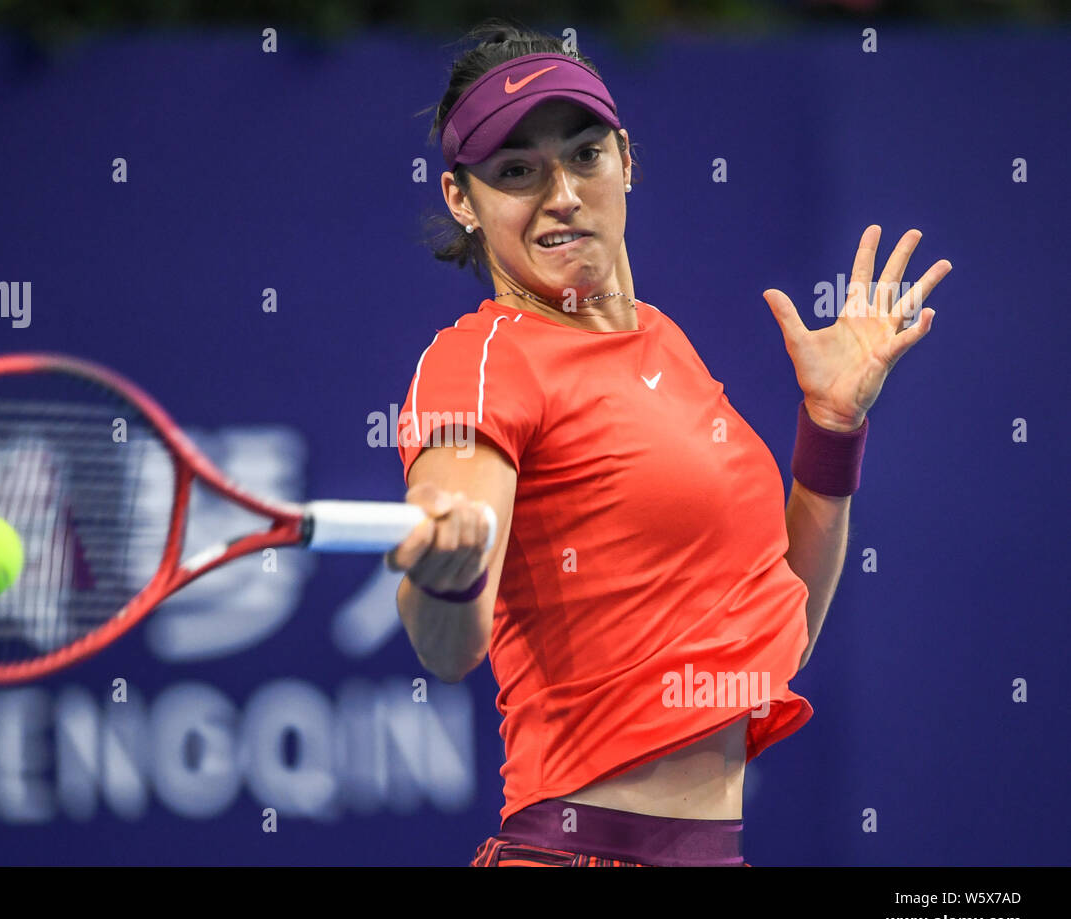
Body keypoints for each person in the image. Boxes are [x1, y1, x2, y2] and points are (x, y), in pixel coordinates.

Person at [386, 20, 951, 867]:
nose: (562, 194)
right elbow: (448, 645)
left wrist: (831, 428)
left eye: (584, 155)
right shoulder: (479, 363)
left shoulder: (662, 342)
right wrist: (447, 571)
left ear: (625, 158)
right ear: (462, 200)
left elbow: (777, 642)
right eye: (516, 171)